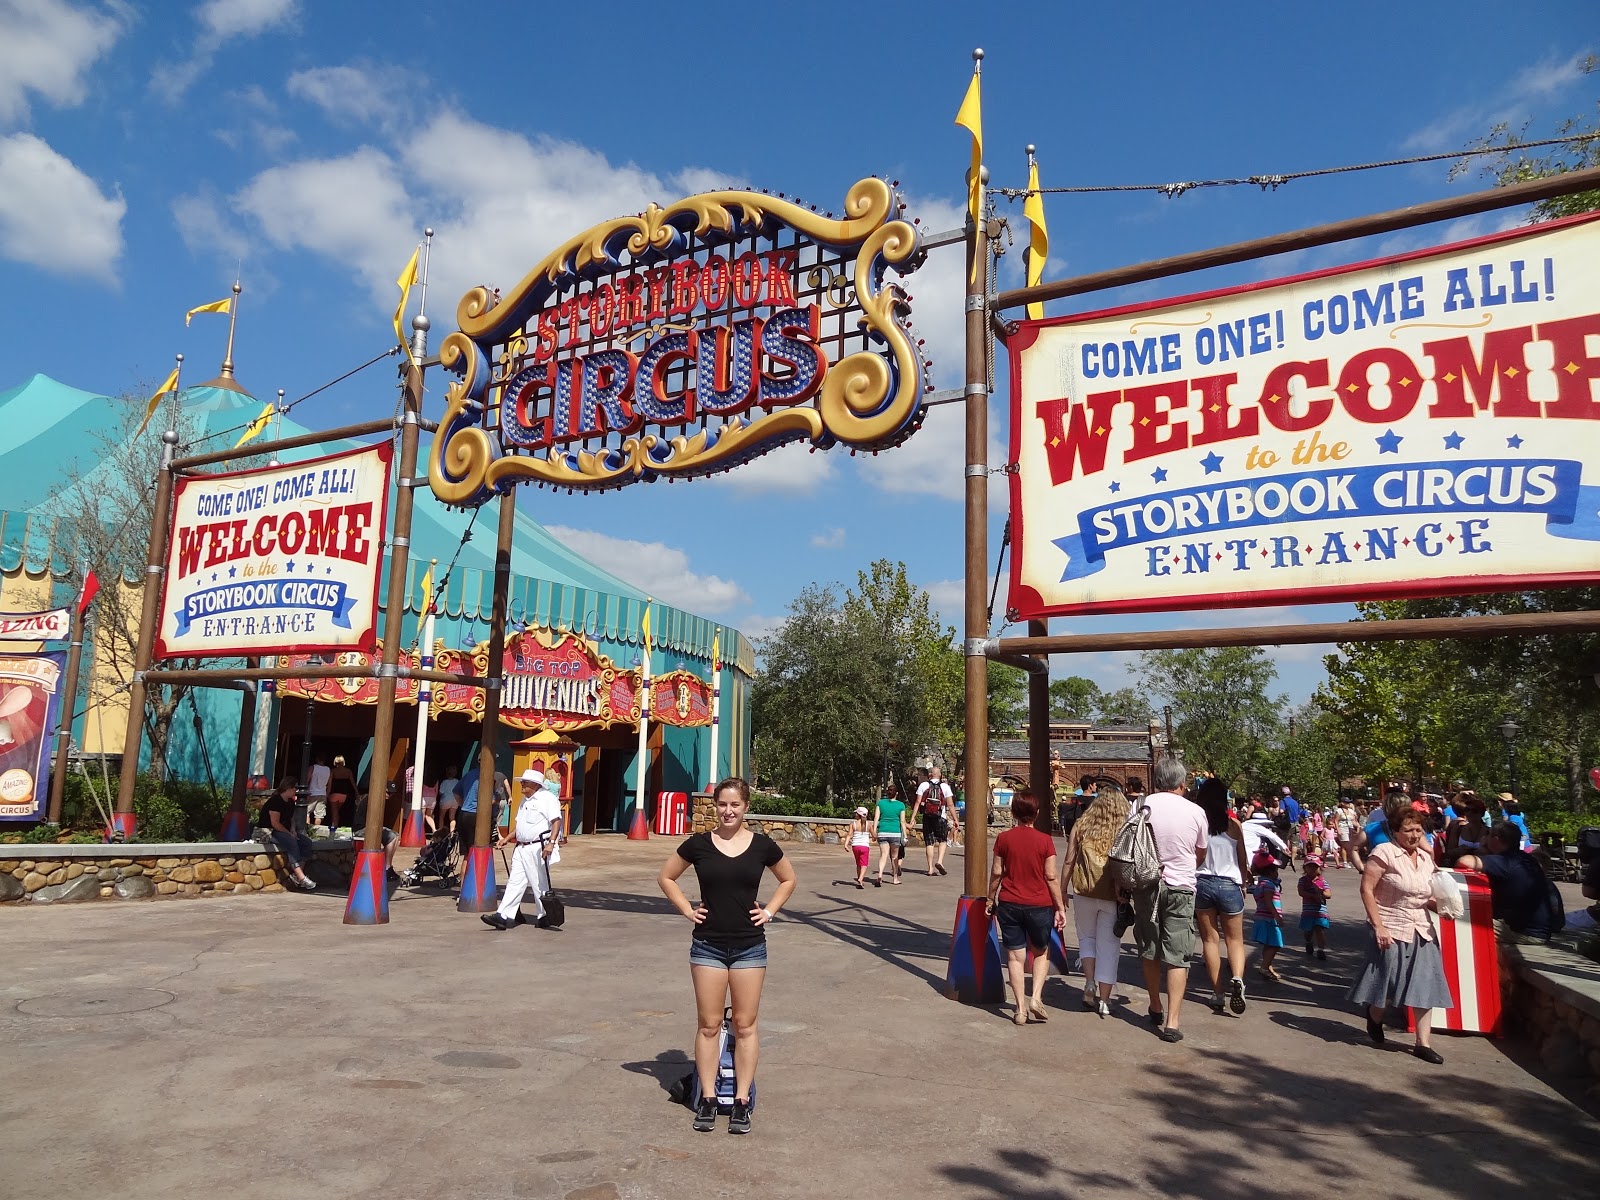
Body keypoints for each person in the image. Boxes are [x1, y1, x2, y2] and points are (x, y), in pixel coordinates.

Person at [658, 777, 797, 1135]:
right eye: (722, 804)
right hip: (708, 946)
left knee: (745, 1025)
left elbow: (788, 880)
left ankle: (740, 1101)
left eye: (735, 804)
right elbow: (667, 877)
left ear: (745, 806)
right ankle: (706, 1098)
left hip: (751, 946)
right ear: (715, 806)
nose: (728, 811)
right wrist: (687, 909)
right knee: (708, 1025)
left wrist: (770, 911)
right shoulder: (700, 845)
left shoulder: (762, 845)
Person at [1348, 796, 1453, 1065]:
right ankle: (1374, 1015)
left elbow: (1424, 896)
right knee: (1387, 984)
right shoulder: (1383, 853)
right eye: (1408, 830)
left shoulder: (1427, 859)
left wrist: (1442, 907)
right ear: (1396, 831)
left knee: (1425, 983)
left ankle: (1423, 1043)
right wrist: (1378, 925)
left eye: (1418, 830)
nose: (1414, 835)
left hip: (1422, 928)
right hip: (1391, 926)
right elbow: (1367, 889)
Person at [1133, 756, 1208, 1043]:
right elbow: (1200, 852)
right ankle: (1173, 1022)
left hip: (1146, 885)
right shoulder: (1195, 811)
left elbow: (1129, 844)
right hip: (1181, 886)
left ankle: (1155, 1004)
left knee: (1150, 946)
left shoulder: (1140, 806)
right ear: (1181, 782)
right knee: (1178, 953)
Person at [986, 788, 1067, 1026]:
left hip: (1010, 902)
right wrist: (1060, 906)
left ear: (1013, 812)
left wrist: (991, 899)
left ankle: (1020, 1009)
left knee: (1014, 955)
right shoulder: (1045, 840)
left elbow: (997, 872)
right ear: (1037, 813)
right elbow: (1051, 876)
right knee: (1041, 951)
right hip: (1040, 904)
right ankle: (1036, 998)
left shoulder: (1004, 839)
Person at [1060, 783, 1129, 1018]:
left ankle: (1089, 982)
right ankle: (1105, 1001)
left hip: (1083, 891)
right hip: (1113, 895)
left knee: (1086, 938)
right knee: (1109, 945)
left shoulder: (1081, 825)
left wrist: (1061, 890)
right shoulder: (1123, 829)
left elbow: (1069, 861)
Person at [1192, 777, 1250, 1017]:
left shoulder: (1198, 823)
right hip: (1229, 884)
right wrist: (1244, 883)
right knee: (1234, 940)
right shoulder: (1234, 825)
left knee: (1210, 940)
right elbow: (1242, 858)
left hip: (1202, 883)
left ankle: (1217, 992)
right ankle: (1237, 978)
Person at [483, 769, 564, 930]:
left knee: (539, 883)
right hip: (521, 847)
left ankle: (545, 915)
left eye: (525, 782)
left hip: (538, 847)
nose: (522, 784)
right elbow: (519, 825)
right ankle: (503, 915)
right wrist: (505, 839)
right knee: (515, 881)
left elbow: (556, 822)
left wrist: (551, 843)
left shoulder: (547, 798)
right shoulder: (524, 800)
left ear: (535, 784)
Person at [1456, 822, 1557, 942]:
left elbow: (1463, 861)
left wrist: (1481, 849)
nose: (1484, 838)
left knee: (1461, 920)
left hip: (1525, 934)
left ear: (1496, 838)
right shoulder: (1525, 859)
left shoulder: (1505, 862)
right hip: (1538, 930)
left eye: (1488, 835)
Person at [257, 778, 317, 891]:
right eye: (295, 788)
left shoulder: (290, 802)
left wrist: (293, 830)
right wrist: (289, 833)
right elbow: (275, 823)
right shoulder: (275, 801)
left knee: (306, 843)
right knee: (291, 841)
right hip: (269, 831)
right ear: (288, 789)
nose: (296, 791)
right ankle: (301, 877)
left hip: (285, 830)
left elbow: (291, 818)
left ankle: (297, 875)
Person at [458, 761, 509, 863]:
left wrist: (464, 805)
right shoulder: (486, 777)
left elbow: (456, 792)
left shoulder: (469, 775)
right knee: (479, 848)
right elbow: (490, 801)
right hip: (478, 816)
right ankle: (478, 876)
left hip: (464, 813)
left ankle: (465, 878)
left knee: (467, 854)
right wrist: (498, 798)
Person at [915, 767, 959, 876]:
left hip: (927, 817)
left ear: (930, 775)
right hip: (940, 817)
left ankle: (930, 868)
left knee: (929, 843)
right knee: (942, 840)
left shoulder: (923, 785)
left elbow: (917, 802)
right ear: (940, 775)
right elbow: (950, 804)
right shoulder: (945, 787)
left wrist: (913, 817)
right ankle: (939, 861)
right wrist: (955, 819)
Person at [1249, 850, 1285, 981]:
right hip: (1269, 918)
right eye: (1275, 870)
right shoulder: (1269, 885)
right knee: (1275, 944)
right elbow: (1269, 903)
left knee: (1268, 944)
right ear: (1270, 872)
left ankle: (1267, 965)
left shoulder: (1261, 883)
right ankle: (1264, 966)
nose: (1277, 873)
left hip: (1262, 917)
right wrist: (1277, 917)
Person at [873, 782, 908, 886]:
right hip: (895, 833)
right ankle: (895, 878)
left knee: (883, 855)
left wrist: (874, 830)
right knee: (894, 857)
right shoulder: (901, 805)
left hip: (882, 831)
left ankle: (880, 875)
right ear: (896, 793)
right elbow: (902, 821)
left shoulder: (881, 803)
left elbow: (876, 818)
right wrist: (905, 835)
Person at [1443, 791, 1489, 865]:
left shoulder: (1489, 832)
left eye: (1474, 811)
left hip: (1482, 870)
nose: (1469, 813)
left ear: (1482, 813)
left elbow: (1496, 855)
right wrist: (1459, 850)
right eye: (1467, 810)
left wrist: (1482, 852)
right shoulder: (1458, 829)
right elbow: (1449, 852)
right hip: (1461, 869)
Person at [1298, 855, 1331, 959]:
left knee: (1319, 930)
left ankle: (1321, 950)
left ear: (1319, 869)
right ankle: (1308, 942)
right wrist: (1313, 895)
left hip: (1320, 911)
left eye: (1315, 867)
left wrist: (1321, 892)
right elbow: (1301, 892)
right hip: (1308, 911)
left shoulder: (1323, 882)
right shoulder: (1303, 880)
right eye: (1309, 867)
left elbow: (1329, 894)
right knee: (1308, 931)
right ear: (1305, 868)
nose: (1312, 869)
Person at [327, 755, 357, 833]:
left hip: (334, 793)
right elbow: (352, 783)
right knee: (337, 811)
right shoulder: (348, 771)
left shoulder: (333, 771)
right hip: (343, 794)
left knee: (334, 812)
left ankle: (333, 829)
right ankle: (335, 827)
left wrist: (327, 793)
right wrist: (356, 792)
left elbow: (330, 784)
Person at [846, 806, 871, 889]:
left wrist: (846, 844)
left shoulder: (853, 824)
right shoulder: (869, 825)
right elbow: (874, 834)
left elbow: (849, 835)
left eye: (856, 813)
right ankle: (860, 879)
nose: (855, 814)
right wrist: (875, 837)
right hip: (865, 846)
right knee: (864, 864)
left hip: (855, 846)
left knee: (858, 864)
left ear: (858, 814)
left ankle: (860, 880)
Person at [306, 754, 331, 830]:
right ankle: (315, 830)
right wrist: (327, 794)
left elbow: (307, 779)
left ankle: (306, 829)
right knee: (319, 815)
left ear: (317, 759)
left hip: (312, 792)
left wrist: (306, 790)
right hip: (322, 793)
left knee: (306, 812)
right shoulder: (328, 769)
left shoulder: (313, 768)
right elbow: (329, 784)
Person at [436, 764, 460, 836]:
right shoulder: (457, 781)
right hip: (455, 800)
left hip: (445, 800)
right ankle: (452, 833)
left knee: (441, 816)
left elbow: (441, 792)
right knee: (452, 817)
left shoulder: (444, 782)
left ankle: (440, 833)